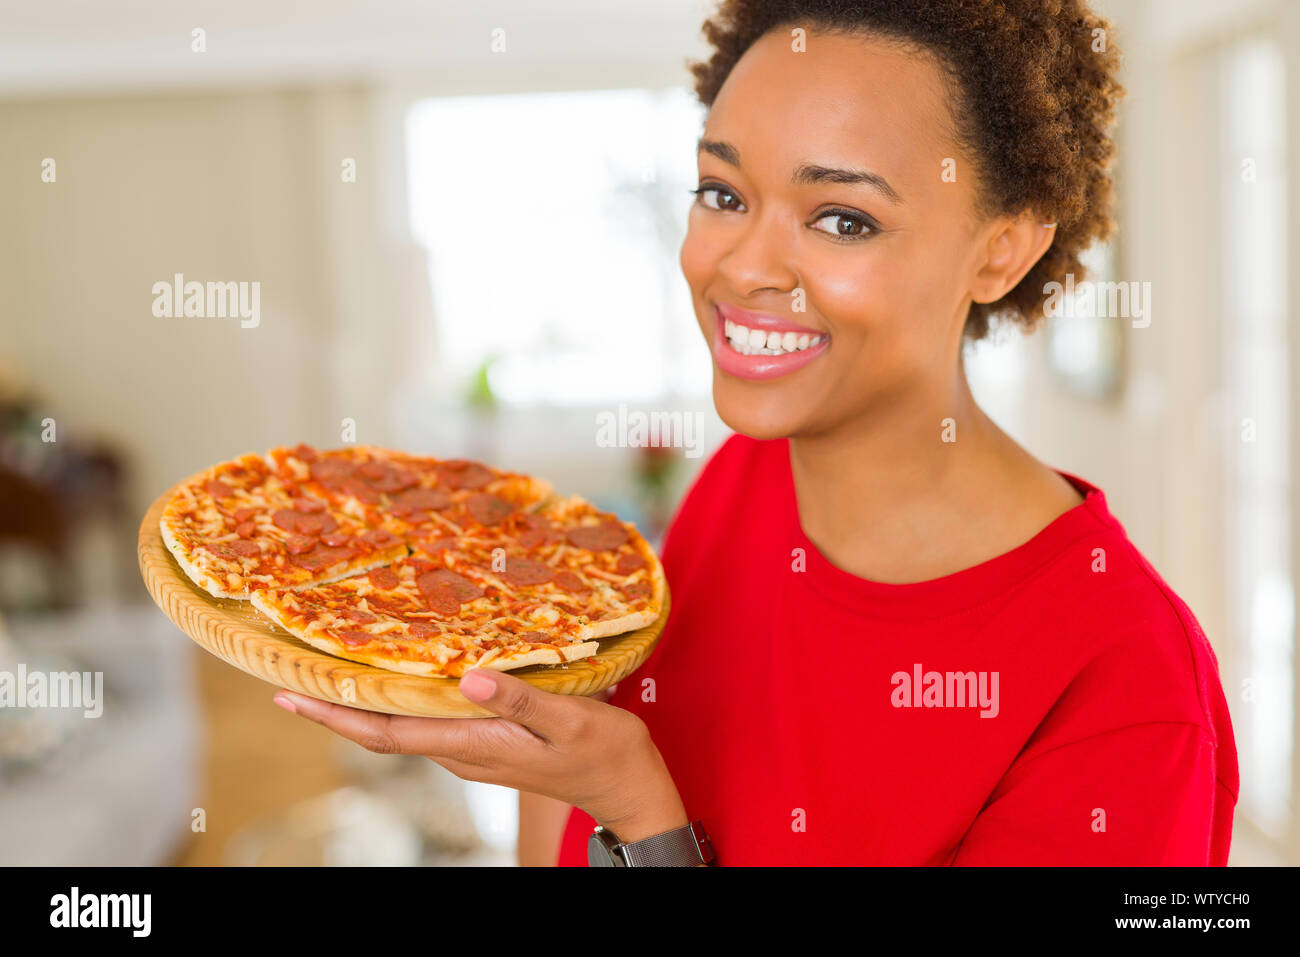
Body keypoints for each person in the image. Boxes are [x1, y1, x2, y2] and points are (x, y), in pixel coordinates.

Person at [274, 0, 1238, 866]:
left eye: (842, 218)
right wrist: (540, 732)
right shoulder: (746, 477)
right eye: (724, 193)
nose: (742, 266)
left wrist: (643, 820)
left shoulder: (1129, 691)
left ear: (1003, 249)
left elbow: (624, 807)